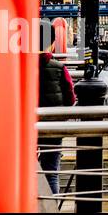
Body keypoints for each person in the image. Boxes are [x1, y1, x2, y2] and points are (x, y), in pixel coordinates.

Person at [37, 32, 77, 194]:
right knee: (51, 171)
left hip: (26, 126)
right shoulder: (60, 68)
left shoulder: (20, 68)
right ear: (52, 44)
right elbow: (70, 99)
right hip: (53, 125)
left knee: (25, 168)